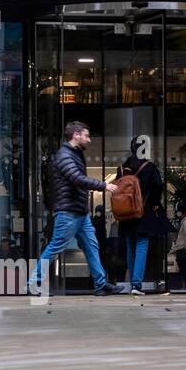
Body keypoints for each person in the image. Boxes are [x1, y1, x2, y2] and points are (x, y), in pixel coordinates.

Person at [31, 121, 124, 295]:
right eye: (86, 136)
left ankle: (101, 284)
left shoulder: (75, 154)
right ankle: (32, 282)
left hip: (79, 212)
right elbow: (76, 178)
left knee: (91, 247)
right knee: (55, 247)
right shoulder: (65, 155)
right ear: (76, 135)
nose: (89, 140)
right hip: (68, 212)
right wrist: (104, 185)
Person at [115, 139, 167, 295]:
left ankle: (133, 283)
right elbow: (158, 185)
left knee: (130, 247)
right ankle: (136, 285)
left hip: (126, 213)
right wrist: (155, 202)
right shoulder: (149, 167)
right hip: (143, 212)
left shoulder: (122, 169)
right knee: (141, 245)